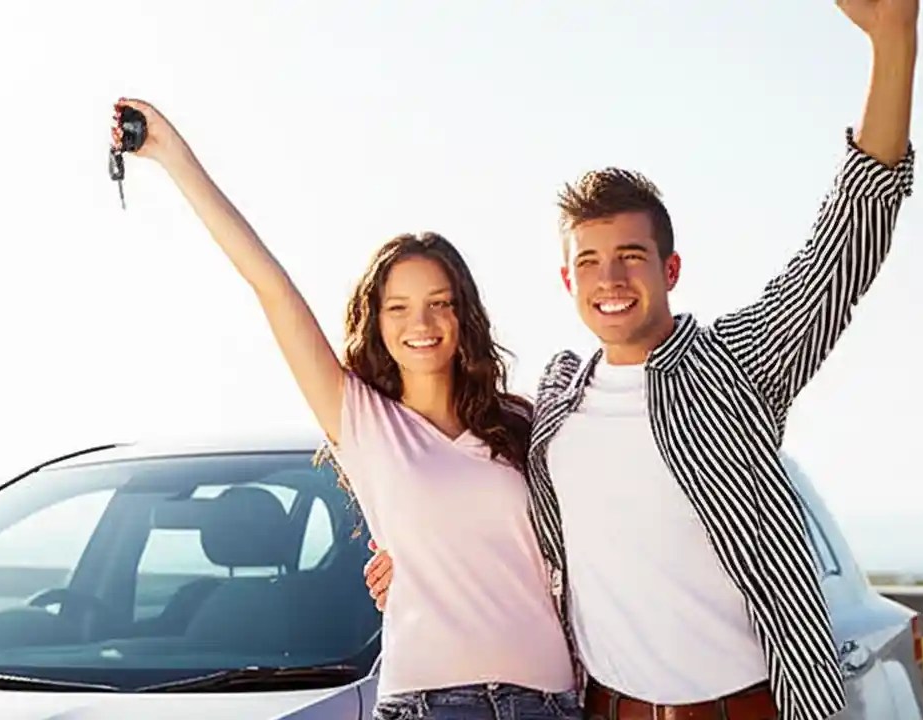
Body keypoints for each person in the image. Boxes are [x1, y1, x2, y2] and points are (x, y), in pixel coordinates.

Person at [363, 1, 920, 719]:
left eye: (631, 256)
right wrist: (408, 564)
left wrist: (893, 40)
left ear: (671, 268)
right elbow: (481, 507)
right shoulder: (556, 401)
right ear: (568, 282)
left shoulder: (740, 363)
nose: (610, 280)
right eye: (589, 261)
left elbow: (848, 236)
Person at [109, 100, 581, 720]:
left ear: (463, 316)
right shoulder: (360, 419)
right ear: (375, 319)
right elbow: (271, 286)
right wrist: (172, 154)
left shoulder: (519, 426)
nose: (422, 323)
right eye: (399, 307)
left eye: (440, 303)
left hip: (553, 704)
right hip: (432, 705)